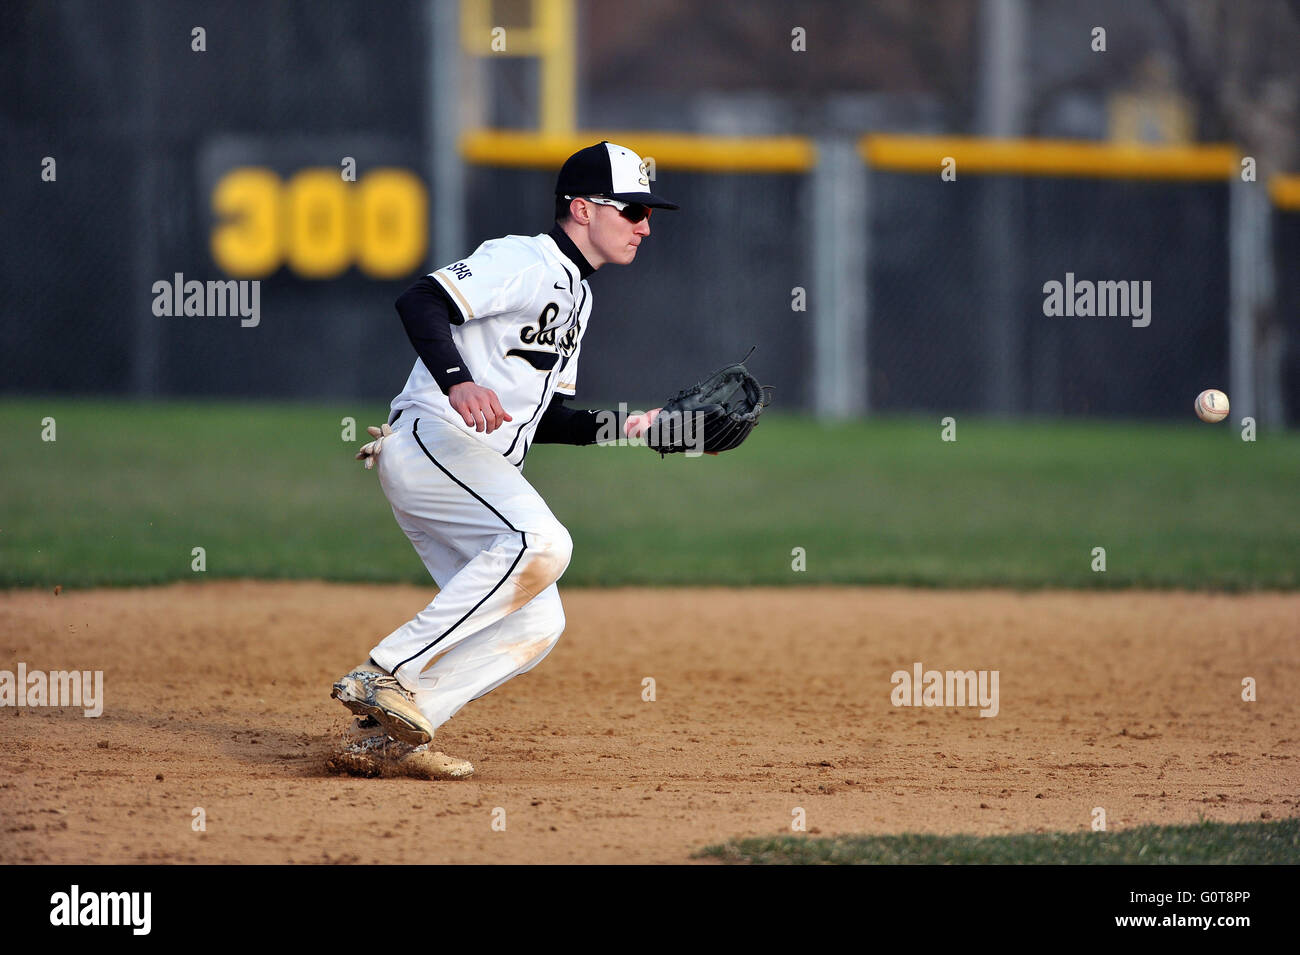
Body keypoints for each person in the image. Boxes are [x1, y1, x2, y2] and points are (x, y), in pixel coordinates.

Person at [330, 142, 678, 775]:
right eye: (632, 211)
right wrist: (457, 379)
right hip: (431, 440)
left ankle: (395, 734)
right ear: (582, 209)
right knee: (543, 543)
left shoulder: (580, 294)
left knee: (537, 619)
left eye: (647, 214)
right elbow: (421, 301)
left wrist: (638, 428)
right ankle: (385, 671)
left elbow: (543, 418)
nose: (645, 226)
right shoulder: (524, 258)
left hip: (468, 466)